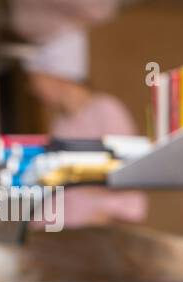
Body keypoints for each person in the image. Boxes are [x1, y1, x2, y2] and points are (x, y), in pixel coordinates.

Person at [24, 28, 148, 227]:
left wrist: (100, 223)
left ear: (56, 75)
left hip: (98, 235)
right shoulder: (62, 124)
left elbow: (129, 175)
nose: (33, 89)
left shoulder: (106, 110)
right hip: (68, 236)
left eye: (35, 79)